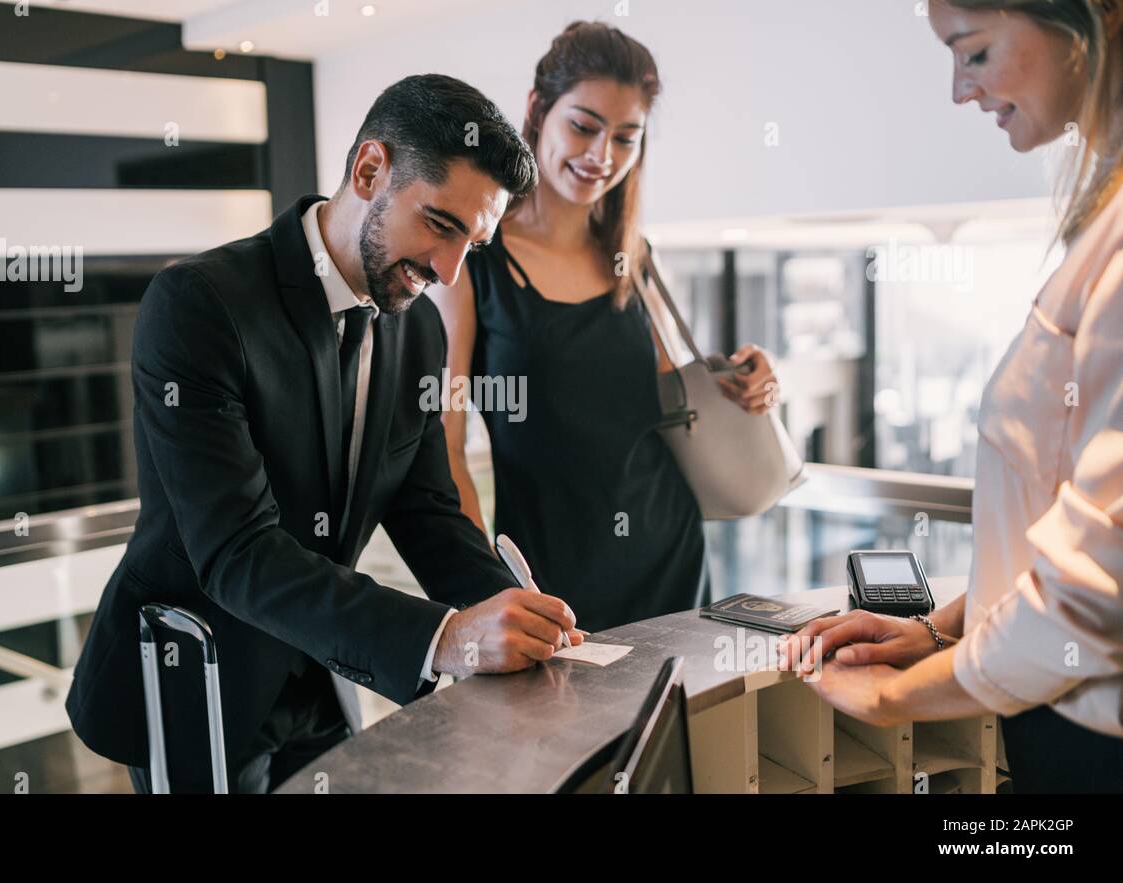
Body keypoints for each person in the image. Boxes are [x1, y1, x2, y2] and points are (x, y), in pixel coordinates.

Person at [66, 74, 584, 794]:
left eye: (474, 241)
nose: (448, 270)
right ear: (369, 169)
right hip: (201, 678)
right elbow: (238, 552)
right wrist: (446, 638)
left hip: (329, 669)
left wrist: (514, 617)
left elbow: (427, 510)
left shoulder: (419, 330)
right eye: (440, 225)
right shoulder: (199, 306)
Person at [782, 0, 1123, 793]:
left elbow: (1098, 581)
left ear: (1094, 19)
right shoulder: (1098, 223)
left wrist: (896, 695)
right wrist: (934, 628)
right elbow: (1062, 529)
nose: (958, 91)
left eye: (972, 52)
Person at [430, 22, 781, 634]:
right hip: (545, 579)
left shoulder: (632, 256)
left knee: (682, 731)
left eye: (626, 137)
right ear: (538, 111)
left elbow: (671, 399)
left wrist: (752, 382)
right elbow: (447, 445)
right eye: (584, 126)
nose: (602, 156)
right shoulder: (474, 260)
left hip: (669, 556)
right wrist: (485, 586)